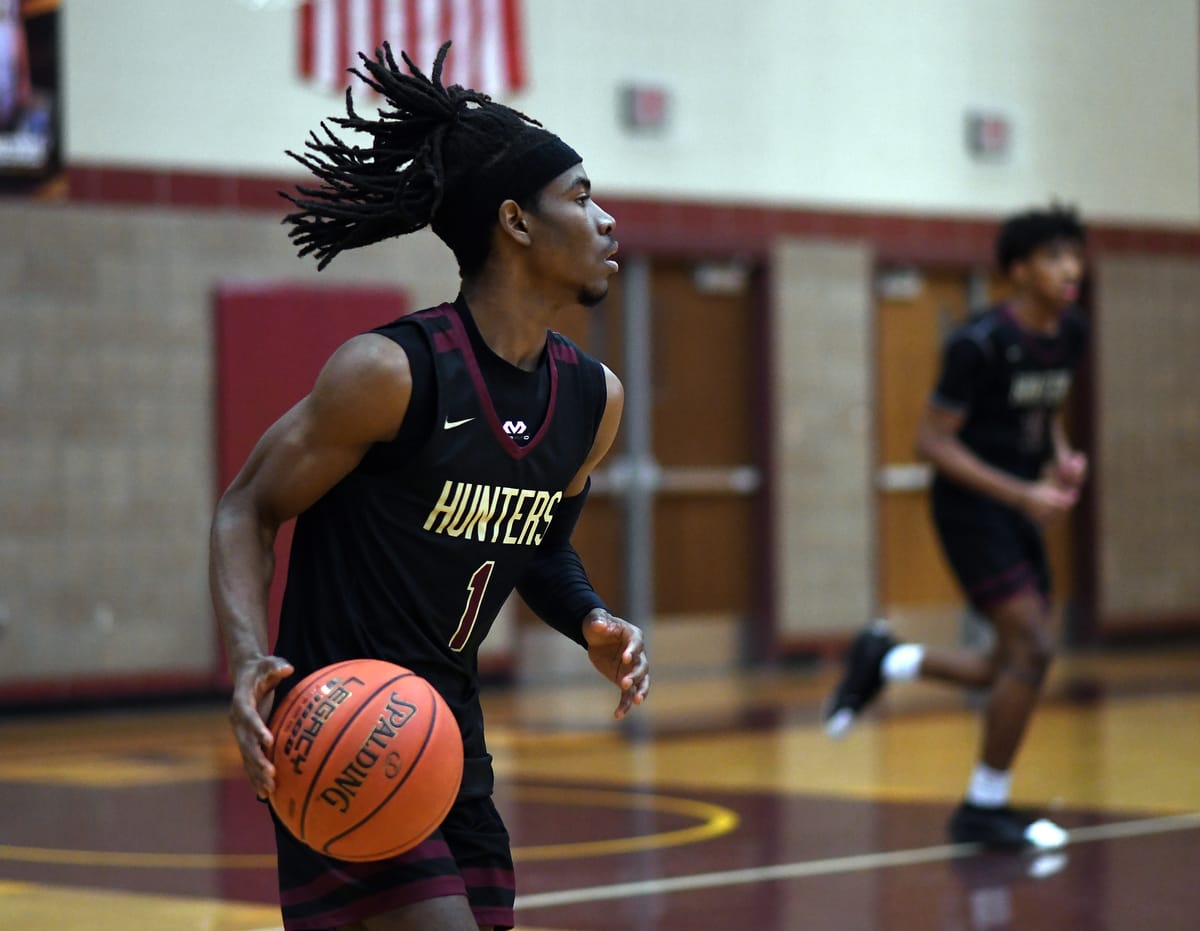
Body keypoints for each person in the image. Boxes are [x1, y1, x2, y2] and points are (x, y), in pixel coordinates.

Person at [209, 42, 650, 931]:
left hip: (451, 739)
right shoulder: (391, 372)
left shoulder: (593, 400)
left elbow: (541, 544)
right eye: (582, 196)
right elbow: (246, 508)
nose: (606, 220)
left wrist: (591, 620)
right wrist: (251, 657)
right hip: (342, 731)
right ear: (516, 223)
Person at [823, 205, 1089, 850]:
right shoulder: (978, 342)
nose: (1070, 268)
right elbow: (932, 442)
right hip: (971, 508)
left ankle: (890, 658)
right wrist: (1023, 492)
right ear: (1018, 270)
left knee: (1007, 661)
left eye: (1073, 254)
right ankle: (982, 806)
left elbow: (1044, 404)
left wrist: (1059, 456)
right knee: (1034, 648)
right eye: (1053, 257)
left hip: (1021, 505)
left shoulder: (1071, 332)